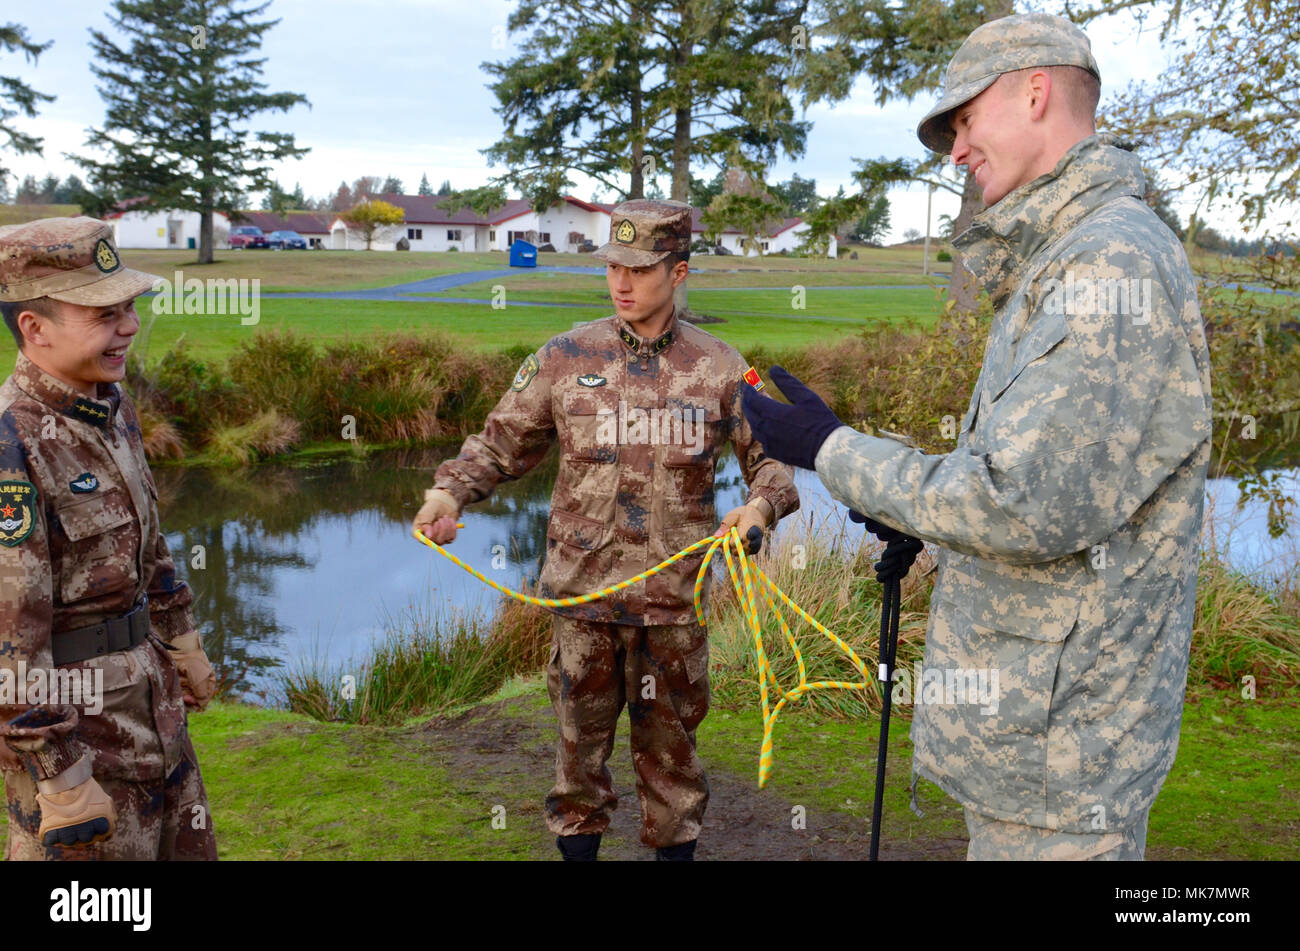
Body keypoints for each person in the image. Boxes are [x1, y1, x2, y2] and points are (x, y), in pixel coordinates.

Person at [741, 13, 1211, 860]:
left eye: (964, 121)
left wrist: (831, 450)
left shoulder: (1109, 263)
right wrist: (916, 518)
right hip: (1037, 749)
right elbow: (1034, 479)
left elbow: (1020, 502)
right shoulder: (1062, 257)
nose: (954, 151)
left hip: (1063, 764)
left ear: (1035, 92)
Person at [413, 199, 799, 861]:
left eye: (641, 269)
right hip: (581, 606)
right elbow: (499, 444)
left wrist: (759, 509)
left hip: (671, 610)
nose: (622, 282)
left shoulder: (725, 367)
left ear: (678, 272)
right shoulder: (563, 357)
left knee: (673, 776)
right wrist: (447, 492)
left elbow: (775, 462)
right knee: (577, 775)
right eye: (614, 266)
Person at [0, 217, 219, 860]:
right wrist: (60, 774)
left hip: (152, 716)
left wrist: (183, 642)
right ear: (33, 328)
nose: (128, 325)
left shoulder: (113, 406)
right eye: (102, 313)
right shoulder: (11, 447)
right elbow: (10, 640)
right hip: (76, 746)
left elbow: (151, 547)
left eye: (128, 307)